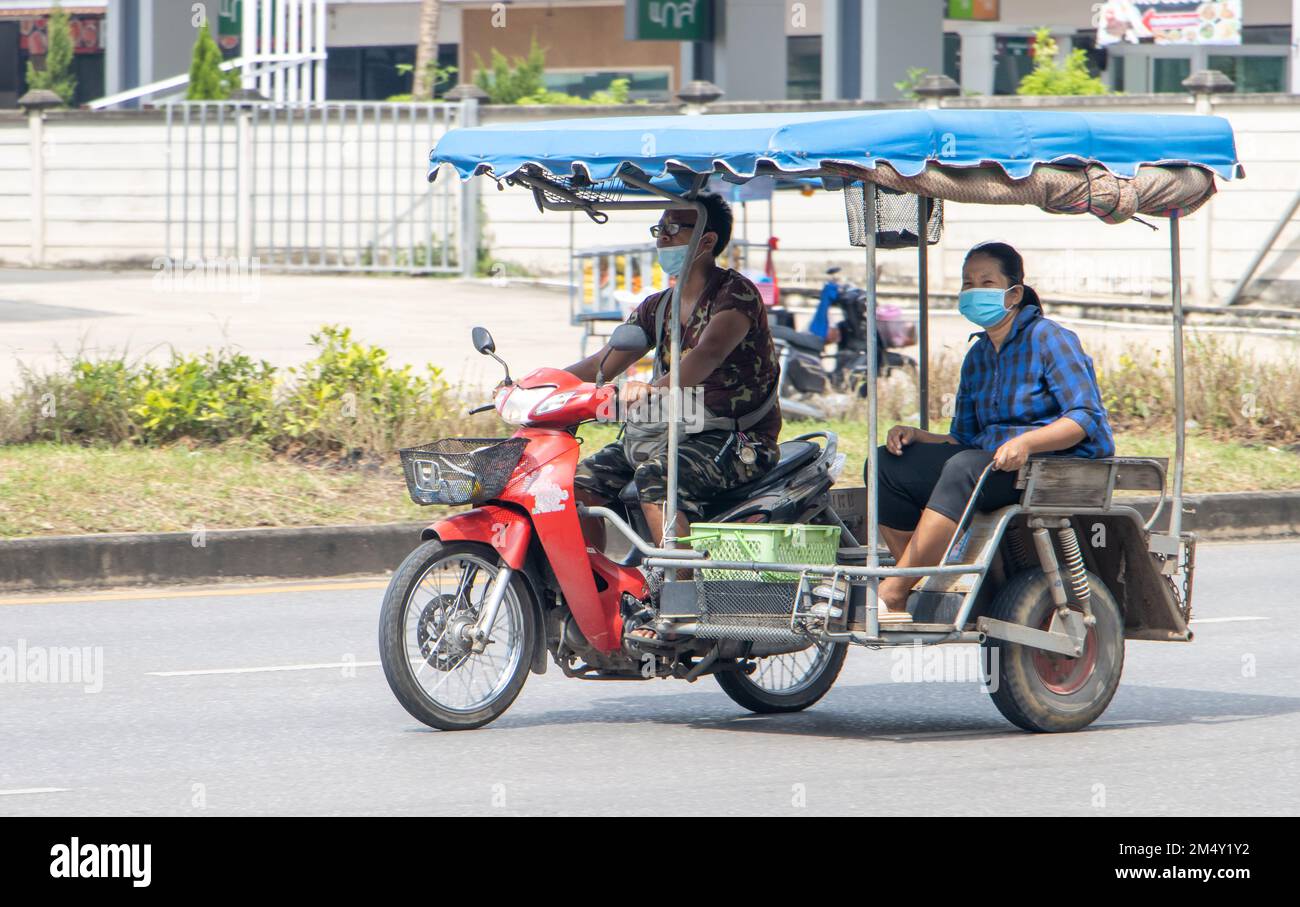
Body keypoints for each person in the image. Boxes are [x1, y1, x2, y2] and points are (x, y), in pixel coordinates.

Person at [869, 241, 1114, 621]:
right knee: (886, 462)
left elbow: (1083, 418)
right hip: (989, 463)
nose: (974, 291)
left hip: (1047, 467)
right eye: (968, 283)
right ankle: (915, 581)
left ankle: (895, 589)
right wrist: (917, 436)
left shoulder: (1049, 339)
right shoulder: (978, 355)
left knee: (966, 467)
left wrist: (1027, 442)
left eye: (986, 282)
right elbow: (963, 438)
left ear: (1014, 293)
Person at [564, 192, 783, 561]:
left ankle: (679, 593)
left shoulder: (736, 295)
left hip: (737, 438)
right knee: (576, 483)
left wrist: (648, 390)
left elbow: (707, 354)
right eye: (659, 229)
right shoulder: (658, 306)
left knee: (656, 477)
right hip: (670, 431)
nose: (661, 237)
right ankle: (600, 586)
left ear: (707, 240)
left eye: (672, 229)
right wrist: (542, 384)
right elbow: (603, 361)